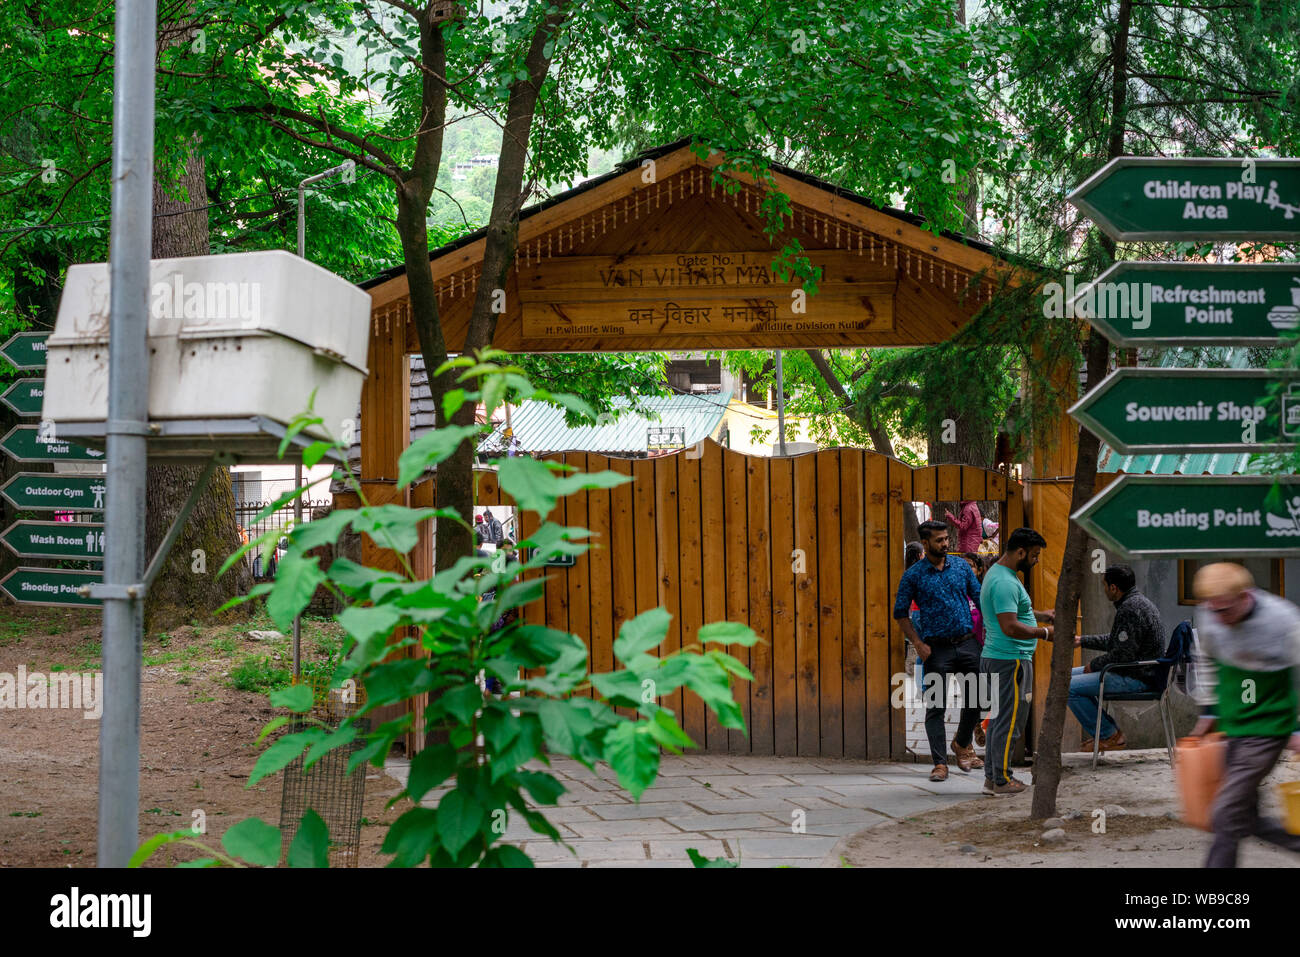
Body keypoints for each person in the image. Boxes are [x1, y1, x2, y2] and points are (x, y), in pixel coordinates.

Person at [1187, 563, 1300, 868]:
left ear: (1245, 596)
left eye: (1224, 610)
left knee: (1224, 812)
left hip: (1269, 727)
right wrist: (1209, 710)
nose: (1218, 619)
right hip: (1232, 726)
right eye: (1212, 610)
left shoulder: (1283, 620)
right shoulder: (1211, 615)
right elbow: (1207, 661)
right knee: (1245, 818)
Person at [893, 520, 984, 782]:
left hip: (967, 643)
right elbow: (900, 614)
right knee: (936, 707)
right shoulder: (913, 575)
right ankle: (940, 764)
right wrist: (918, 644)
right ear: (925, 543)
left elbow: (979, 599)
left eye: (947, 539)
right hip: (936, 649)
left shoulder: (960, 568)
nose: (945, 544)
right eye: (940, 540)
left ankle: (962, 742)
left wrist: (986, 636)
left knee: (978, 699)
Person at [979, 526, 1055, 796]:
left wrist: (1042, 615)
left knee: (1002, 719)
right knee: (1009, 721)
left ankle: (993, 777)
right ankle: (1001, 780)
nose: (1035, 560)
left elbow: (1015, 610)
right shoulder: (1005, 582)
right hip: (1009, 660)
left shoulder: (1001, 575)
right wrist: (1044, 633)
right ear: (1020, 552)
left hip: (1003, 658)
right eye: (1034, 555)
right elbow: (1010, 625)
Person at [1067, 563, 1164, 753]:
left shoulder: (1130, 609)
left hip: (1137, 678)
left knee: (1068, 687)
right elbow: (1117, 642)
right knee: (1065, 678)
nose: (1103, 589)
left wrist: (1093, 665)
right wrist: (1082, 641)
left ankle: (1108, 735)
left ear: (1113, 588)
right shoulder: (1137, 602)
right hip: (1136, 671)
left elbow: (1122, 655)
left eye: (1104, 585)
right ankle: (1108, 732)